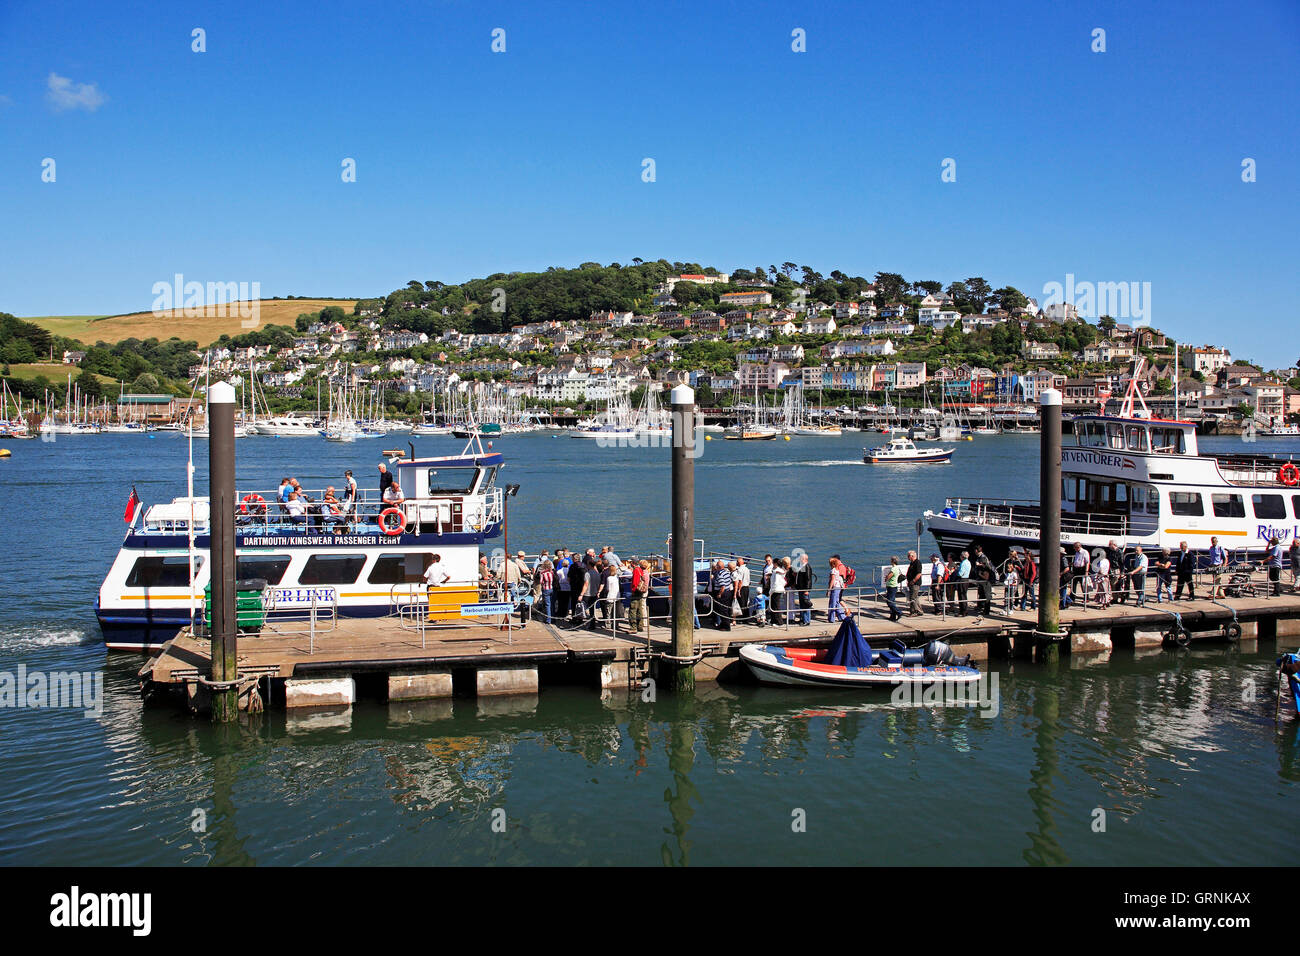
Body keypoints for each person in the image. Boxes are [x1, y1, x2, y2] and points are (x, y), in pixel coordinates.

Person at [972, 546, 995, 615]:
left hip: (985, 579)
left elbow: (986, 567)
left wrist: (979, 565)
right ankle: (980, 606)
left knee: (986, 594)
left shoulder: (983, 557)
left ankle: (986, 610)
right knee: (981, 593)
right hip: (981, 578)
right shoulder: (980, 557)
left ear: (977, 550)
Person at [711, 560, 734, 630]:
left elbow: (722, 586)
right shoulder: (727, 572)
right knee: (725, 610)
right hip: (728, 592)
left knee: (723, 610)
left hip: (723, 594)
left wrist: (719, 594)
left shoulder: (720, 575)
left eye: (716, 566)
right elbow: (729, 581)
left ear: (718, 567)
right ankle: (723, 624)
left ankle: (726, 627)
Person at [629, 559, 651, 632]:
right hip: (642, 590)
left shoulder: (636, 570)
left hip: (636, 591)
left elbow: (635, 582)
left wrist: (633, 590)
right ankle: (640, 626)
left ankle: (633, 627)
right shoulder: (644, 571)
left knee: (633, 609)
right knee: (639, 609)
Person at [791, 554, 812, 626]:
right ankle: (802, 619)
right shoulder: (802, 566)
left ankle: (806, 620)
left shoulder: (807, 567)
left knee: (805, 604)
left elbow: (808, 579)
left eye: (801, 559)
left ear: (805, 559)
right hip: (800, 589)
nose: (800, 560)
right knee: (802, 605)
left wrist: (807, 590)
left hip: (804, 589)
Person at [768, 558, 788, 625]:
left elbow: (775, 582)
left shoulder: (777, 571)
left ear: (776, 564)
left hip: (776, 590)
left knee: (776, 606)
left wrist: (771, 591)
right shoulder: (777, 570)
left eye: (773, 563)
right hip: (776, 590)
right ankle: (773, 620)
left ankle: (779, 622)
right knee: (773, 606)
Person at [884, 556, 904, 622]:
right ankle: (893, 616)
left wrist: (886, 578)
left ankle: (898, 612)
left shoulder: (893, 569)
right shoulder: (897, 568)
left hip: (891, 586)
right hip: (893, 586)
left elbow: (889, 577)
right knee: (892, 601)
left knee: (889, 602)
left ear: (892, 561)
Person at [827, 558, 847, 622]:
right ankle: (841, 616)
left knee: (832, 603)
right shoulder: (837, 570)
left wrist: (829, 590)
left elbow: (832, 580)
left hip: (834, 587)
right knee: (837, 602)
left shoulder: (833, 571)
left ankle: (831, 618)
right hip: (838, 587)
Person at [906, 550, 924, 617]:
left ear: (912, 556)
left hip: (915, 583)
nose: (908, 557)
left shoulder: (917, 563)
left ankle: (914, 611)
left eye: (908, 556)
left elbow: (919, 573)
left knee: (913, 598)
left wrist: (913, 581)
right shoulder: (912, 563)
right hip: (911, 583)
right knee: (914, 597)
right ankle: (919, 610)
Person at [734, 557, 752, 623]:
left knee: (741, 603)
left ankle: (742, 618)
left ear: (739, 563)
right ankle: (746, 618)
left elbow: (740, 580)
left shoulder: (740, 570)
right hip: (747, 587)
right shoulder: (747, 569)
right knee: (745, 603)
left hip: (742, 587)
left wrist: (738, 590)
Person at [956, 550, 972, 616]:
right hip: (966, 579)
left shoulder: (963, 563)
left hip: (962, 579)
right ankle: (964, 610)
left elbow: (960, 573)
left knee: (961, 595)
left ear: (962, 556)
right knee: (964, 595)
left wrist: (957, 571)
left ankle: (963, 611)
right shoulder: (968, 562)